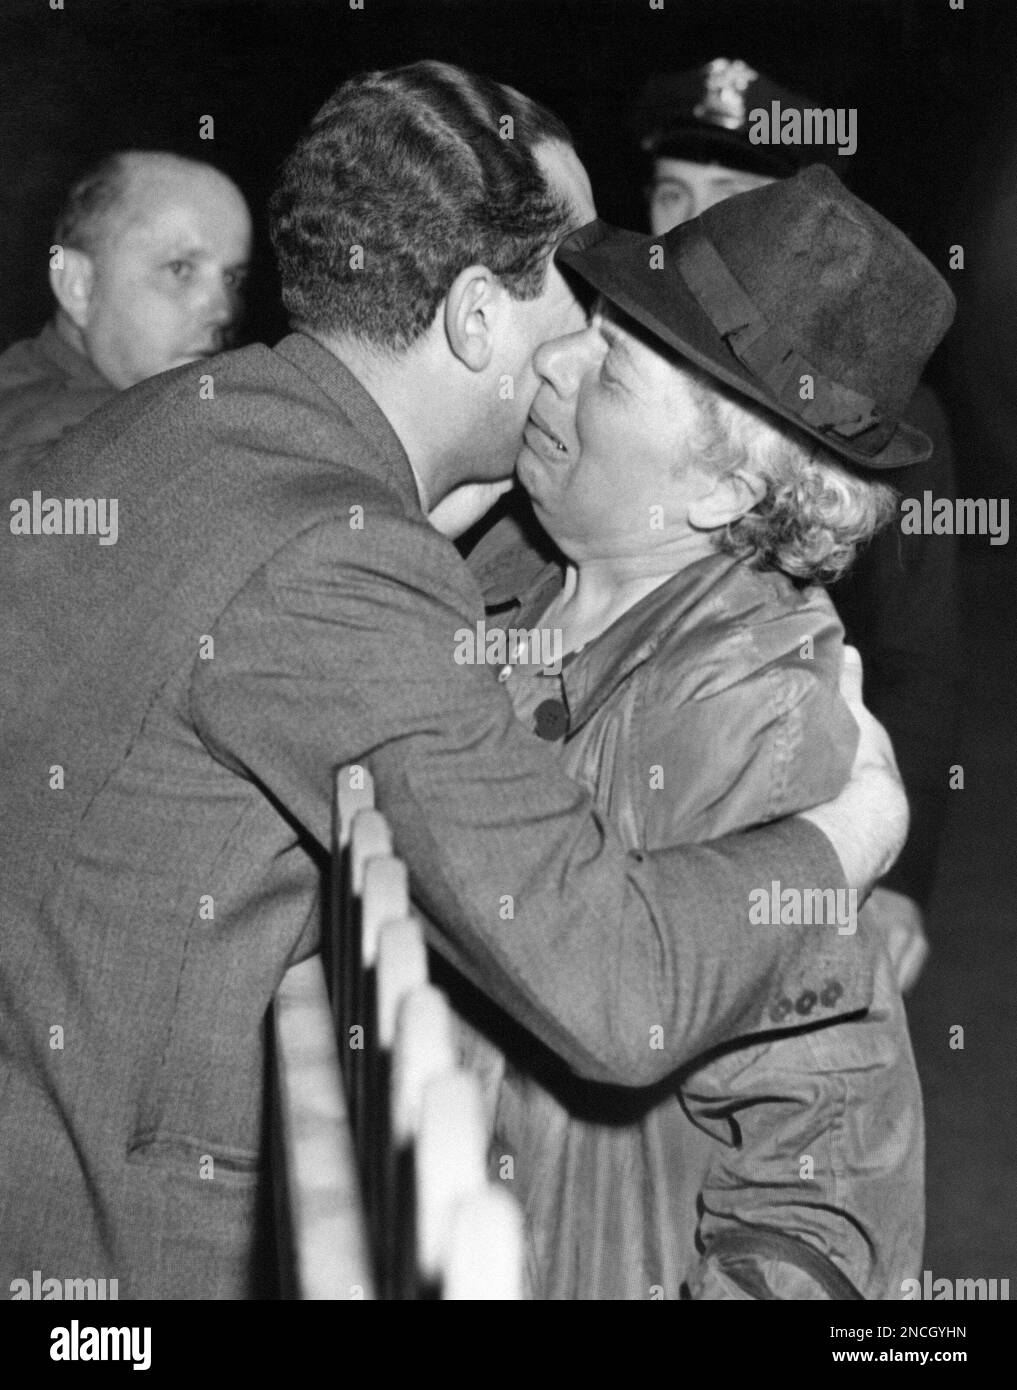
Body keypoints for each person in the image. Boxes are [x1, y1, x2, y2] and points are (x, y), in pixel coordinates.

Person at [0, 62, 902, 1300]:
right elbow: (607, 980)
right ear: (477, 318)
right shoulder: (354, 560)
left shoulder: (188, 423)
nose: (577, 344)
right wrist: (852, 836)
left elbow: (819, 1167)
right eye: (576, 295)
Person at [462, 165, 954, 1300]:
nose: (554, 359)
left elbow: (821, 1199)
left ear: (726, 490)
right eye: (587, 325)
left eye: (612, 369)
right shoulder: (501, 577)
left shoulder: (757, 725)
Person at [636, 60, 961, 990]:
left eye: (727, 199)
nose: (686, 227)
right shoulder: (595, 363)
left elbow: (917, 660)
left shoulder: (887, 417)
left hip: (791, 819)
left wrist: (898, 881)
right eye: (670, 193)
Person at [0, 150, 252, 468]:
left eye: (231, 279)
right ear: (77, 285)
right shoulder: (74, 447)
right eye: (179, 269)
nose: (224, 311)